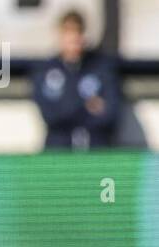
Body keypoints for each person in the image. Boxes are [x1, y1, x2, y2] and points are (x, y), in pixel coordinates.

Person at [30, 10, 122, 150]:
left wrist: (67, 107)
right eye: (69, 38)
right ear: (60, 37)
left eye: (77, 37)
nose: (73, 44)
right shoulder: (45, 70)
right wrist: (86, 105)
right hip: (59, 153)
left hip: (96, 151)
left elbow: (110, 116)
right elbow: (51, 116)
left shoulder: (101, 68)